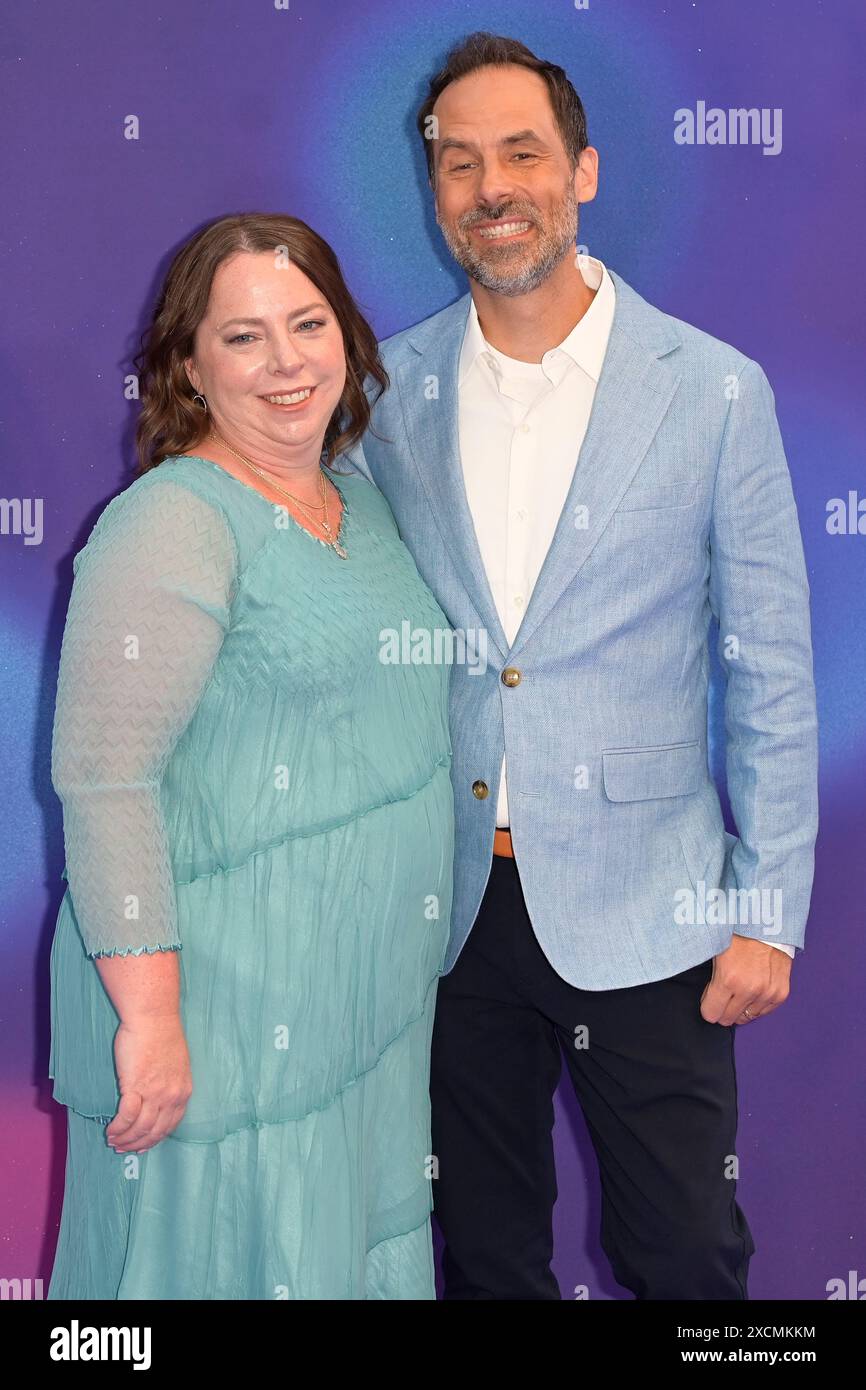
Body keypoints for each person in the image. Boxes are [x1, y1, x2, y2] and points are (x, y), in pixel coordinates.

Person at [342, 32, 819, 1299]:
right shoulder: (387, 390)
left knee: (686, 1256)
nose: (489, 188)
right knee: (488, 1256)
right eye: (457, 163)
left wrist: (767, 907)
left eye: (520, 154)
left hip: (651, 909)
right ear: (434, 190)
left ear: (584, 172)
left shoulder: (712, 390)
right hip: (448, 912)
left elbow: (770, 665)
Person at [47, 212, 455, 1300]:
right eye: (242, 336)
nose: (285, 361)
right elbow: (105, 779)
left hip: (356, 1024)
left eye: (307, 323)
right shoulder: (171, 522)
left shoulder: (360, 503)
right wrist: (150, 1022)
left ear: (347, 338)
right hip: (223, 1027)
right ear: (187, 364)